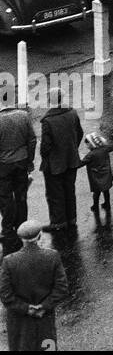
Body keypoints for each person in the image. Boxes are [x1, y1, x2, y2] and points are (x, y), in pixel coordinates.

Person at [0, 220, 69, 350]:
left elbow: (5, 295)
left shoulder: (9, 262)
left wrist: (27, 308)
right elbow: (62, 288)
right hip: (45, 319)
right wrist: (44, 306)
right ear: (39, 236)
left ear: (21, 239)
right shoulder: (52, 257)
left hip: (19, 322)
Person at [39, 92, 83, 233]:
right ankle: (72, 219)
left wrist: (45, 156)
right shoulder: (72, 113)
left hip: (54, 163)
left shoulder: (48, 120)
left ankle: (58, 222)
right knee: (69, 190)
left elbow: (45, 147)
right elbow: (79, 133)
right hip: (71, 159)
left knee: (55, 193)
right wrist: (72, 148)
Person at [0, 101, 36, 254]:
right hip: (21, 162)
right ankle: (22, 227)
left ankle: (8, 232)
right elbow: (32, 140)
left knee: (5, 198)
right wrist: (30, 161)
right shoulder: (24, 115)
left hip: (3, 165)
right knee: (21, 197)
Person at [82, 132, 113, 216]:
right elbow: (112, 147)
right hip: (106, 175)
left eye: (88, 144)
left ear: (92, 143)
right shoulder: (105, 149)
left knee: (96, 193)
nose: (87, 146)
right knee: (106, 191)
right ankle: (107, 204)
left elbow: (81, 163)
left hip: (96, 177)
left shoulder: (90, 155)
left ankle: (95, 206)